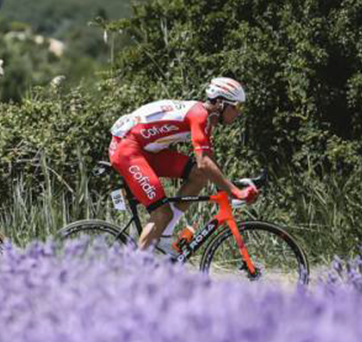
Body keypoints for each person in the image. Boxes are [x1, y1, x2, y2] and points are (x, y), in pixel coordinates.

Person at [107, 76, 258, 251]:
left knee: (198, 175)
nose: (239, 112)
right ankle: (137, 272)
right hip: (127, 150)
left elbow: (207, 162)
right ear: (220, 103)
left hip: (145, 149)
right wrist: (235, 192)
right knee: (162, 212)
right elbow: (204, 162)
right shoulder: (199, 115)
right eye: (237, 106)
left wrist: (231, 186)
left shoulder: (206, 117)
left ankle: (163, 237)